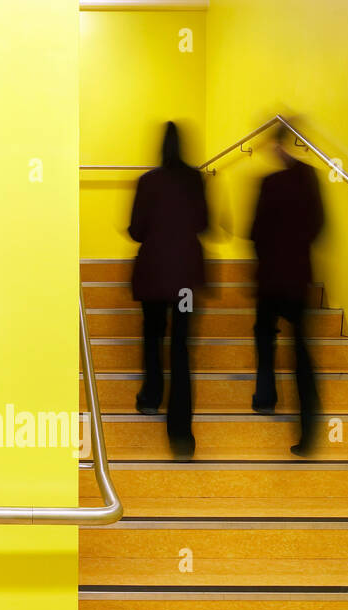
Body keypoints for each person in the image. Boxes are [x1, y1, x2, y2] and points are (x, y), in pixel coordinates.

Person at [127, 121, 209, 460]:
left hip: (154, 276)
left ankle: (150, 397)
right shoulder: (195, 180)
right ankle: (181, 435)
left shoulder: (148, 182)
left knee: (152, 336)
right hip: (186, 281)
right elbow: (204, 223)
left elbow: (135, 230)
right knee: (180, 347)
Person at [250, 121, 324, 456]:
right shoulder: (309, 177)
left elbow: (255, 231)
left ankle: (265, 398)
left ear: (278, 146)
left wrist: (267, 256)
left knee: (265, 334)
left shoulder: (268, 183)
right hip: (298, 276)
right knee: (301, 351)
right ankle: (308, 429)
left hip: (270, 276)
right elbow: (320, 225)